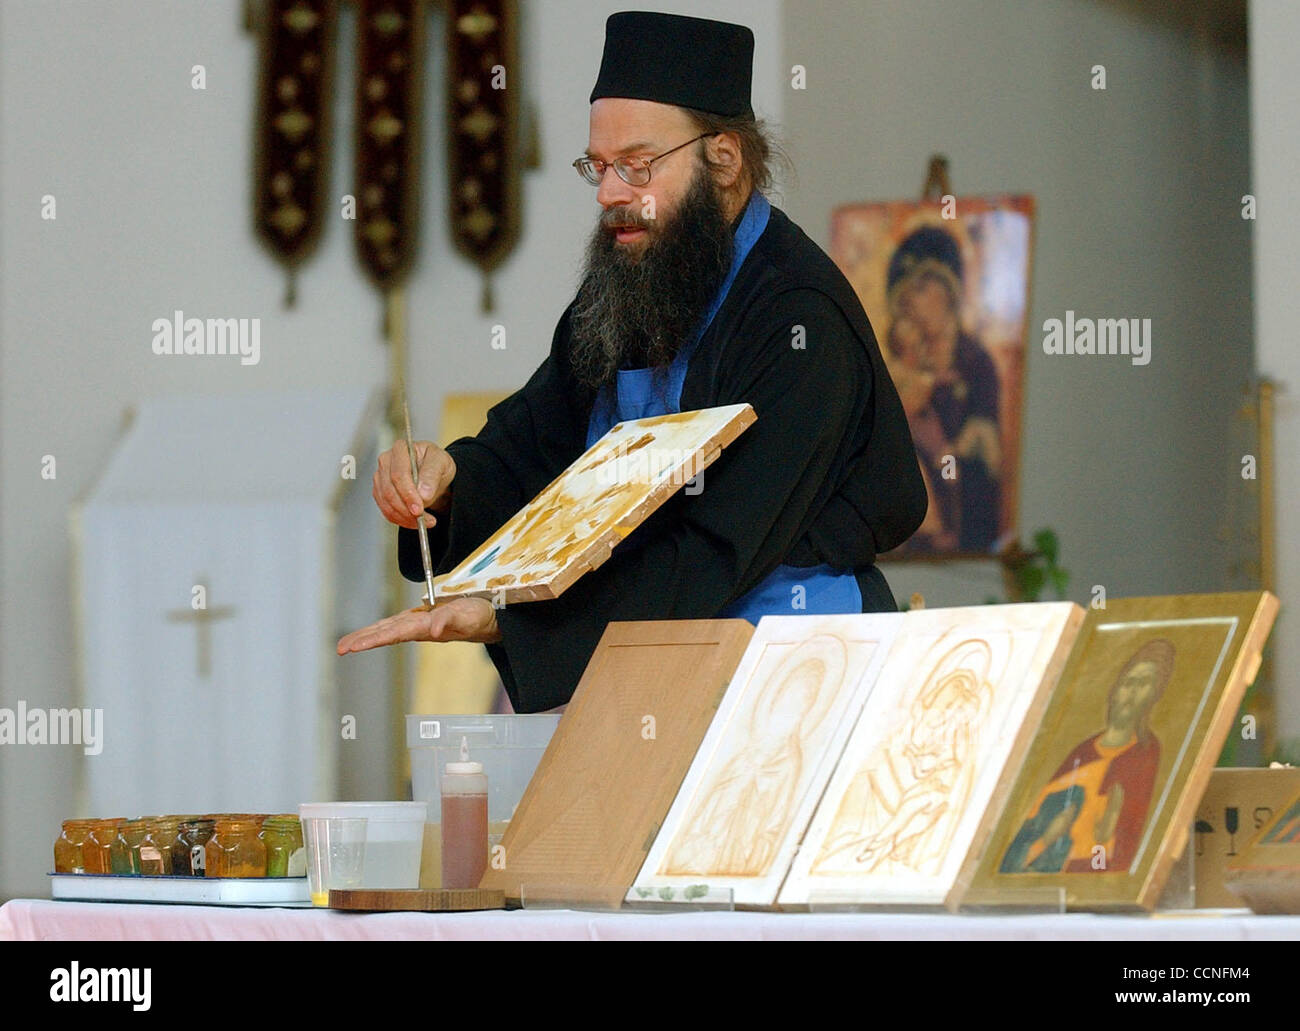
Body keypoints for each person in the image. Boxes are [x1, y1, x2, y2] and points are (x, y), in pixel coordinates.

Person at [338, 12, 926, 712]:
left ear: (725, 160)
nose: (609, 193)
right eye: (599, 166)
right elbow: (534, 447)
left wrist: (516, 619)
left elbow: (713, 552)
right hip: (655, 664)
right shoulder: (634, 283)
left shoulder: (799, 321)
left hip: (800, 674)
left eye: (638, 165)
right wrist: (446, 485)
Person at [999, 638, 1174, 875]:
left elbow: (1130, 835)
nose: (1132, 691)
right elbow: (1037, 821)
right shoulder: (1082, 752)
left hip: (1096, 873)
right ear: (1114, 691)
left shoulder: (1145, 753)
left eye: (1144, 684)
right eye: (1128, 682)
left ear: (1155, 694)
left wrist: (1105, 831)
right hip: (1045, 869)